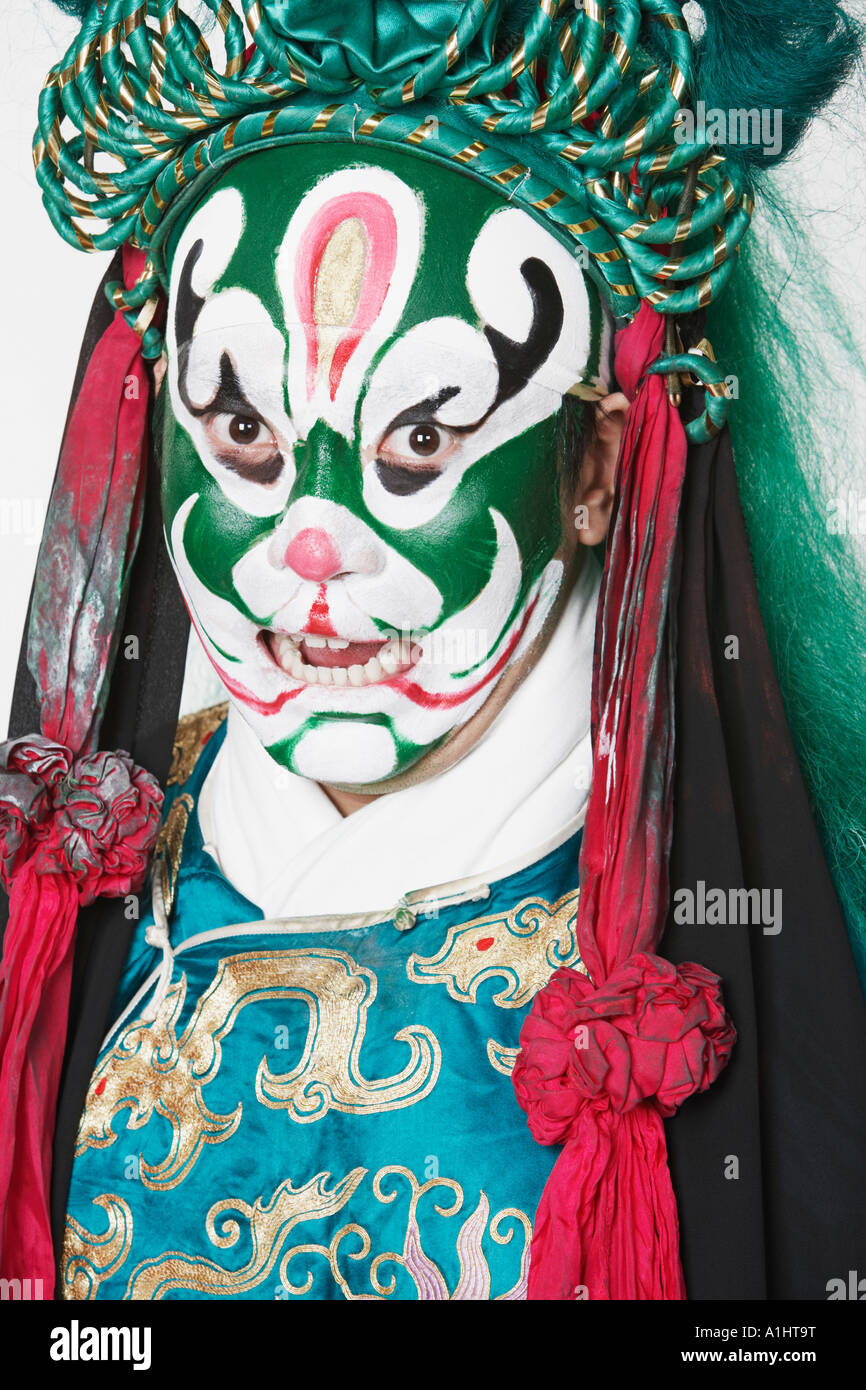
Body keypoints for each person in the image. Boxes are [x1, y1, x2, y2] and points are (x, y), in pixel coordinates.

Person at [1, 0, 864, 1302]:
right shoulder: (50, 924)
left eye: (418, 442)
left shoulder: (799, 959)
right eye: (241, 433)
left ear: (597, 459)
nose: (312, 547)